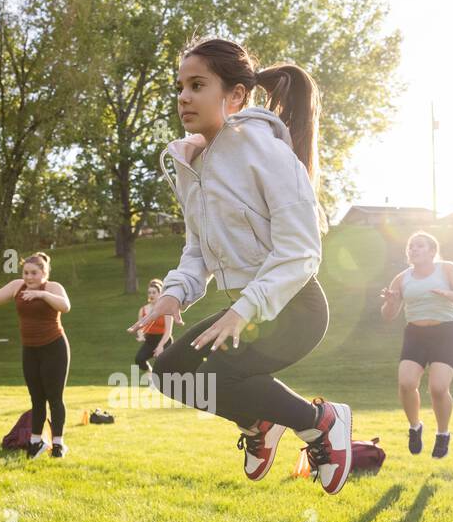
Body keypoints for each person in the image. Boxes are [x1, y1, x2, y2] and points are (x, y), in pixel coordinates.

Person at [129, 36, 354, 494]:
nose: (183, 97)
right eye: (179, 87)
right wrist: (172, 297)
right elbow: (197, 252)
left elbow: (300, 252)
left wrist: (242, 310)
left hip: (293, 308)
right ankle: (260, 423)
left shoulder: (265, 151)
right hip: (246, 311)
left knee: (218, 375)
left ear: (235, 96)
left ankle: (322, 422)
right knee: (169, 374)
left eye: (197, 85)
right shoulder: (194, 164)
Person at [379, 231, 453, 459]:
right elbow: (388, 315)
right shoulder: (401, 279)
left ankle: (443, 434)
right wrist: (391, 303)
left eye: (420, 246)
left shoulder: (447, 269)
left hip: (445, 332)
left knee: (438, 388)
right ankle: (415, 427)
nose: (414, 249)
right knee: (406, 383)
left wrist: (447, 293)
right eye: (411, 246)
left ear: (432, 251)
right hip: (415, 335)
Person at [0, 252, 72, 458]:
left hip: (54, 348)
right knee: (36, 398)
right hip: (30, 349)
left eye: (34, 273)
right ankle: (35, 442)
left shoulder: (52, 288)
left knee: (54, 398)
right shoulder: (17, 286)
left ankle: (58, 444)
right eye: (26, 273)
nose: (29, 277)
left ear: (44, 273)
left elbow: (65, 306)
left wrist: (42, 295)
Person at [133, 279, 173, 376]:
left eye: (154, 292)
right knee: (139, 359)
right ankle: (151, 376)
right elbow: (140, 327)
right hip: (150, 340)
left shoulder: (166, 309)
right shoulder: (143, 310)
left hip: (164, 340)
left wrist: (160, 346)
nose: (151, 295)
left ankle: (171, 382)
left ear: (160, 294)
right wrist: (141, 335)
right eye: (149, 292)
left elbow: (168, 331)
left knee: (163, 363)